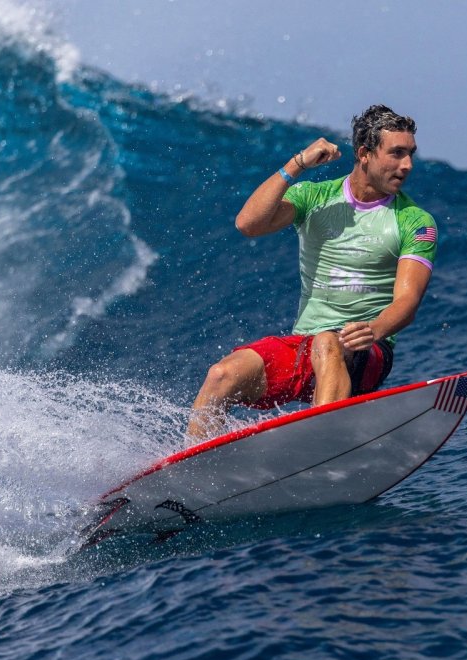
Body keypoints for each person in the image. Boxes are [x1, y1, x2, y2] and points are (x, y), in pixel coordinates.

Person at [187, 104, 439, 441]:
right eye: (396, 153)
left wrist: (374, 330)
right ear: (364, 154)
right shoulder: (316, 196)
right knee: (222, 375)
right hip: (306, 346)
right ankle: (194, 476)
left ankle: (320, 446)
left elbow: (407, 303)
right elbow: (248, 224)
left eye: (410, 154)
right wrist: (297, 165)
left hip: (365, 352)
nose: (407, 165)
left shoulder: (414, 221)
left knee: (328, 342)